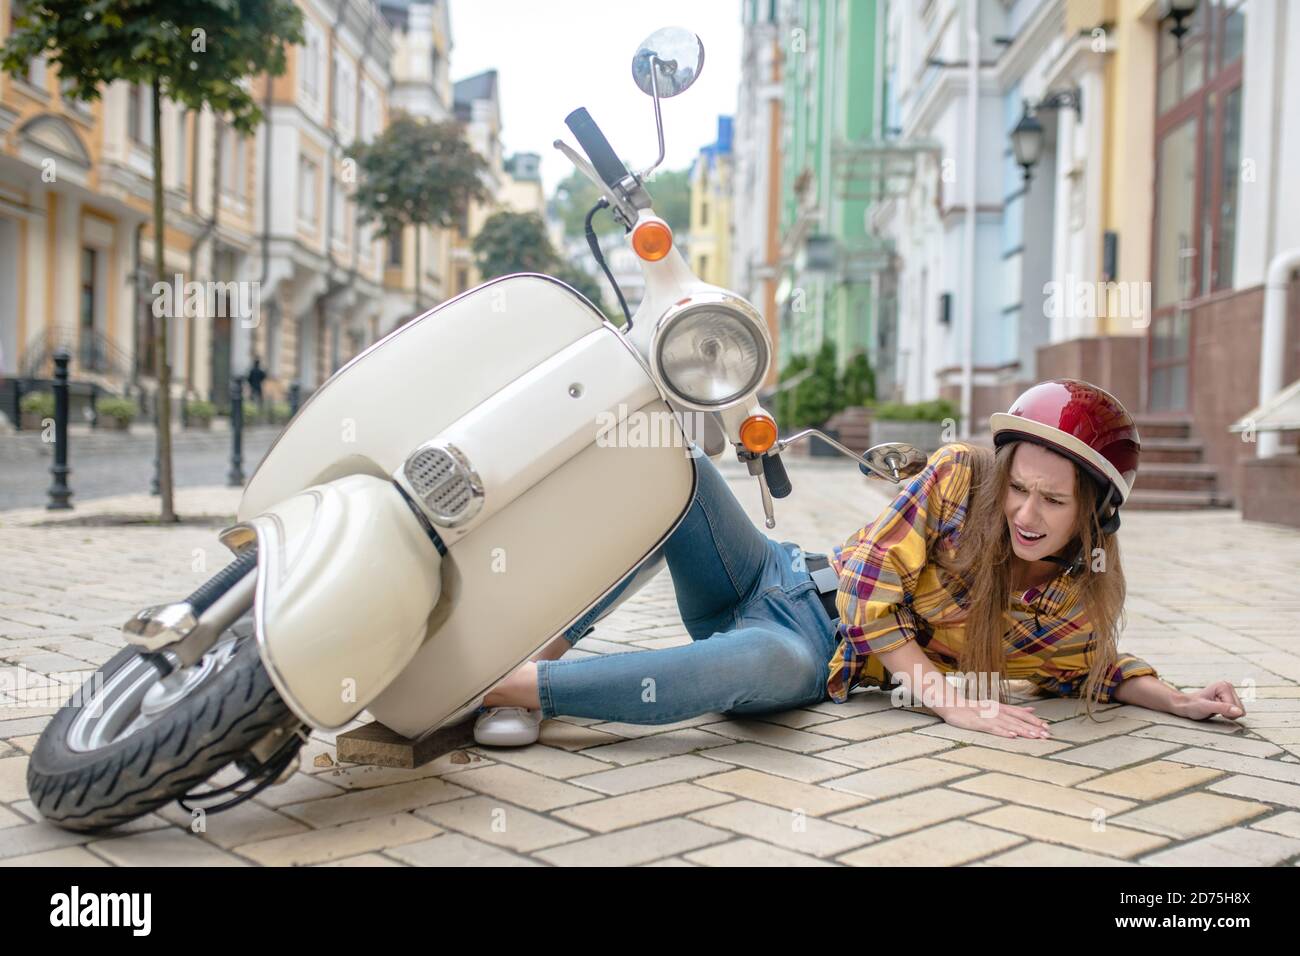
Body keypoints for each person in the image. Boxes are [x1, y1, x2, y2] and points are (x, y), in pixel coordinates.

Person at [474, 379, 1246, 746]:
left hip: (812, 648)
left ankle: (506, 689)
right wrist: (947, 697)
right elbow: (871, 583)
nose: (1024, 513)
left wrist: (1178, 700)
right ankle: (542, 654)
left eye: (1053, 502)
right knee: (677, 473)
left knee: (744, 672)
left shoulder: (1064, 606)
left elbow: (1098, 667)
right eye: (1020, 488)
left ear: (1094, 518)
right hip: (770, 573)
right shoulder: (958, 478)